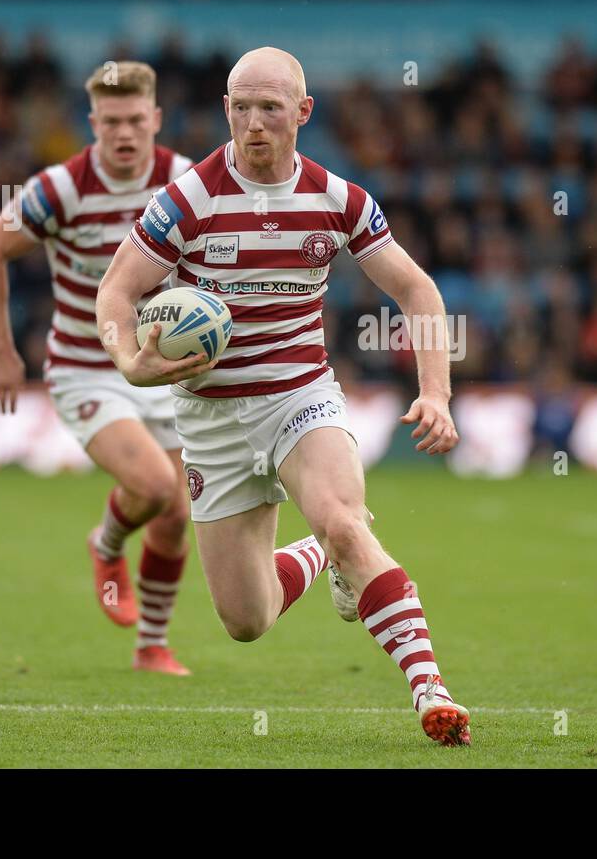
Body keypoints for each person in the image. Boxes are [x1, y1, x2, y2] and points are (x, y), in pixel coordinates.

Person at [96, 47, 471, 745]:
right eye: (241, 107)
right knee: (246, 620)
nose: (254, 123)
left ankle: (431, 690)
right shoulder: (188, 200)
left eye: (270, 107)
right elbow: (116, 290)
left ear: (303, 112)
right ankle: (321, 555)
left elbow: (417, 289)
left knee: (343, 519)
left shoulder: (339, 200)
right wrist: (129, 361)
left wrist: (437, 392)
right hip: (210, 419)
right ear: (226, 113)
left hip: (299, 397)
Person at [0, 61, 207, 675]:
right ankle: (105, 545)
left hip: (162, 370)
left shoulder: (184, 181)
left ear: (155, 118)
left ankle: (151, 647)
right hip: (86, 367)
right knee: (156, 488)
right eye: (111, 124)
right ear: (93, 124)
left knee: (178, 513)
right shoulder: (62, 187)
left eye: (135, 121)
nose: (124, 134)